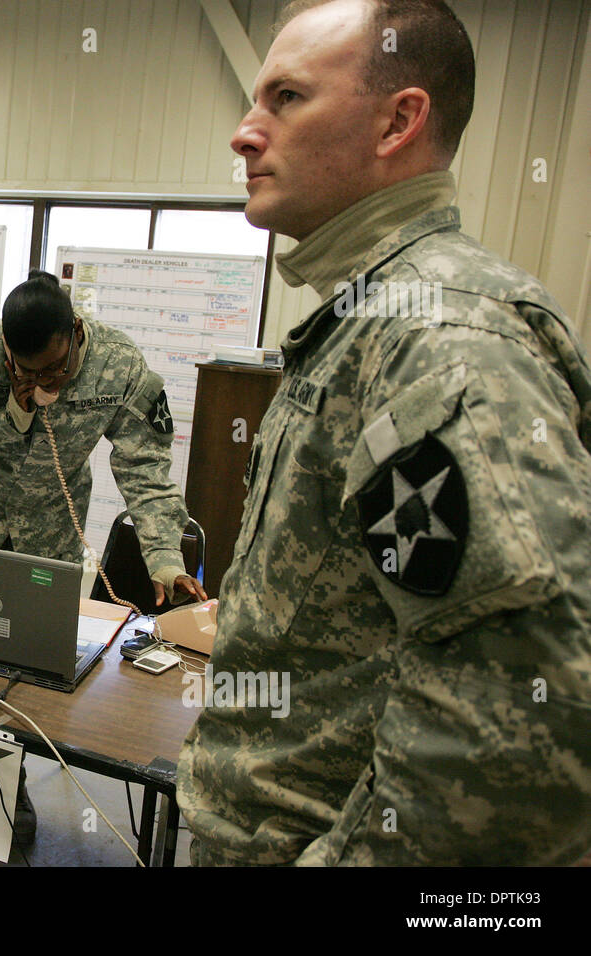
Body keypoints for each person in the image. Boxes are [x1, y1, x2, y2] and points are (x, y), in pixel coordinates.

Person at [177, 0, 591, 865]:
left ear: (399, 120)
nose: (244, 133)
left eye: (286, 98)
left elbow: (519, 738)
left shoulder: (439, 337)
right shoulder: (370, 318)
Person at [0, 269, 206, 840]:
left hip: (46, 531)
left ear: (75, 332)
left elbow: (146, 469)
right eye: (26, 370)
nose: (44, 379)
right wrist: (15, 413)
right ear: (6, 350)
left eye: (55, 369)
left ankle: (8, 780)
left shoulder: (120, 366)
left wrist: (165, 558)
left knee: (28, 664)